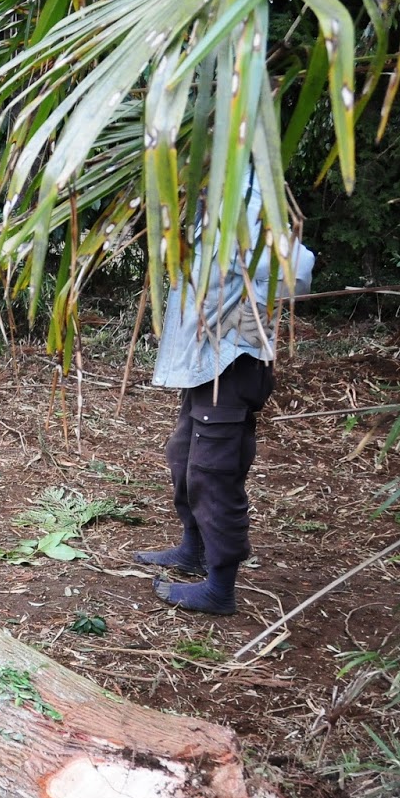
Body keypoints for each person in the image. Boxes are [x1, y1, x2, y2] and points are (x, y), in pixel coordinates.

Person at [134, 170, 314, 614]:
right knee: (183, 459)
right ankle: (193, 550)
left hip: (232, 365)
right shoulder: (208, 196)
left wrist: (251, 301)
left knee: (214, 474)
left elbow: (299, 268)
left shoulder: (243, 199)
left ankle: (220, 587)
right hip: (205, 367)